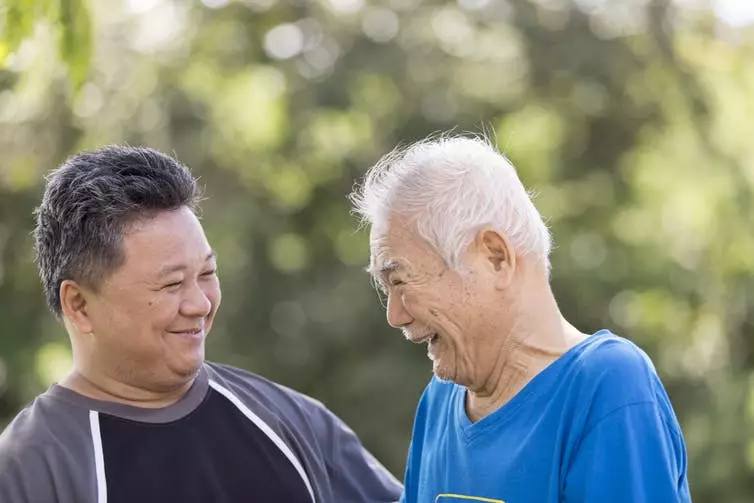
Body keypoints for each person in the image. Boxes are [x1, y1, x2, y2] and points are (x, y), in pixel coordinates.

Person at [0, 146, 402, 503]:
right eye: (172, 283)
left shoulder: (291, 423)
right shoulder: (30, 471)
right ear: (79, 305)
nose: (200, 303)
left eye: (207, 274)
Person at [349, 135, 692, 502]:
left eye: (400, 281)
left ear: (495, 257)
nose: (395, 315)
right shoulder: (439, 401)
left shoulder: (606, 384)